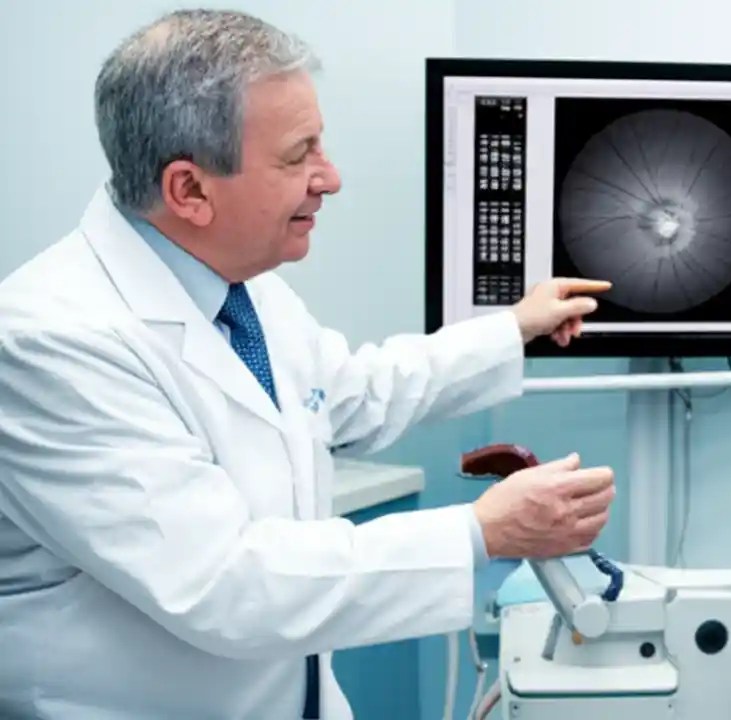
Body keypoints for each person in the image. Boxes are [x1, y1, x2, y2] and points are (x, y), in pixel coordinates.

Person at [0, 9, 615, 720]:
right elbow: (225, 584)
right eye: (298, 157)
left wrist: (513, 328)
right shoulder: (52, 342)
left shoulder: (237, 284)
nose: (331, 178)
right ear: (189, 190)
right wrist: (482, 532)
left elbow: (351, 393)